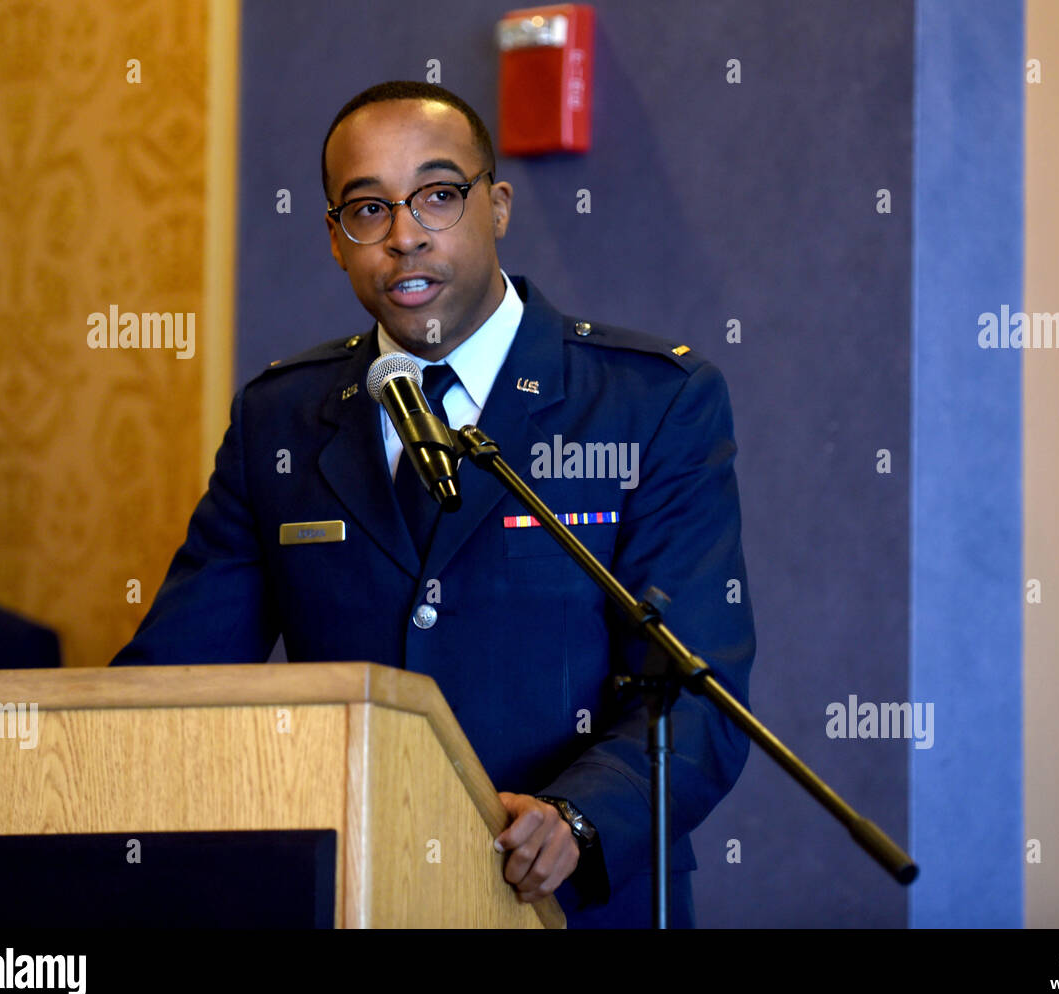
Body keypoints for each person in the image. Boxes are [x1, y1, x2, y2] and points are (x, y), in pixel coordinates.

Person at [113, 81, 755, 928]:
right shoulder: (281, 418)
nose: (405, 235)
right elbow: (175, 681)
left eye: (438, 196)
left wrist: (578, 819)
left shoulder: (649, 403)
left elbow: (699, 694)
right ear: (335, 240)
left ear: (498, 206)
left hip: (574, 903)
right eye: (367, 209)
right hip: (352, 891)